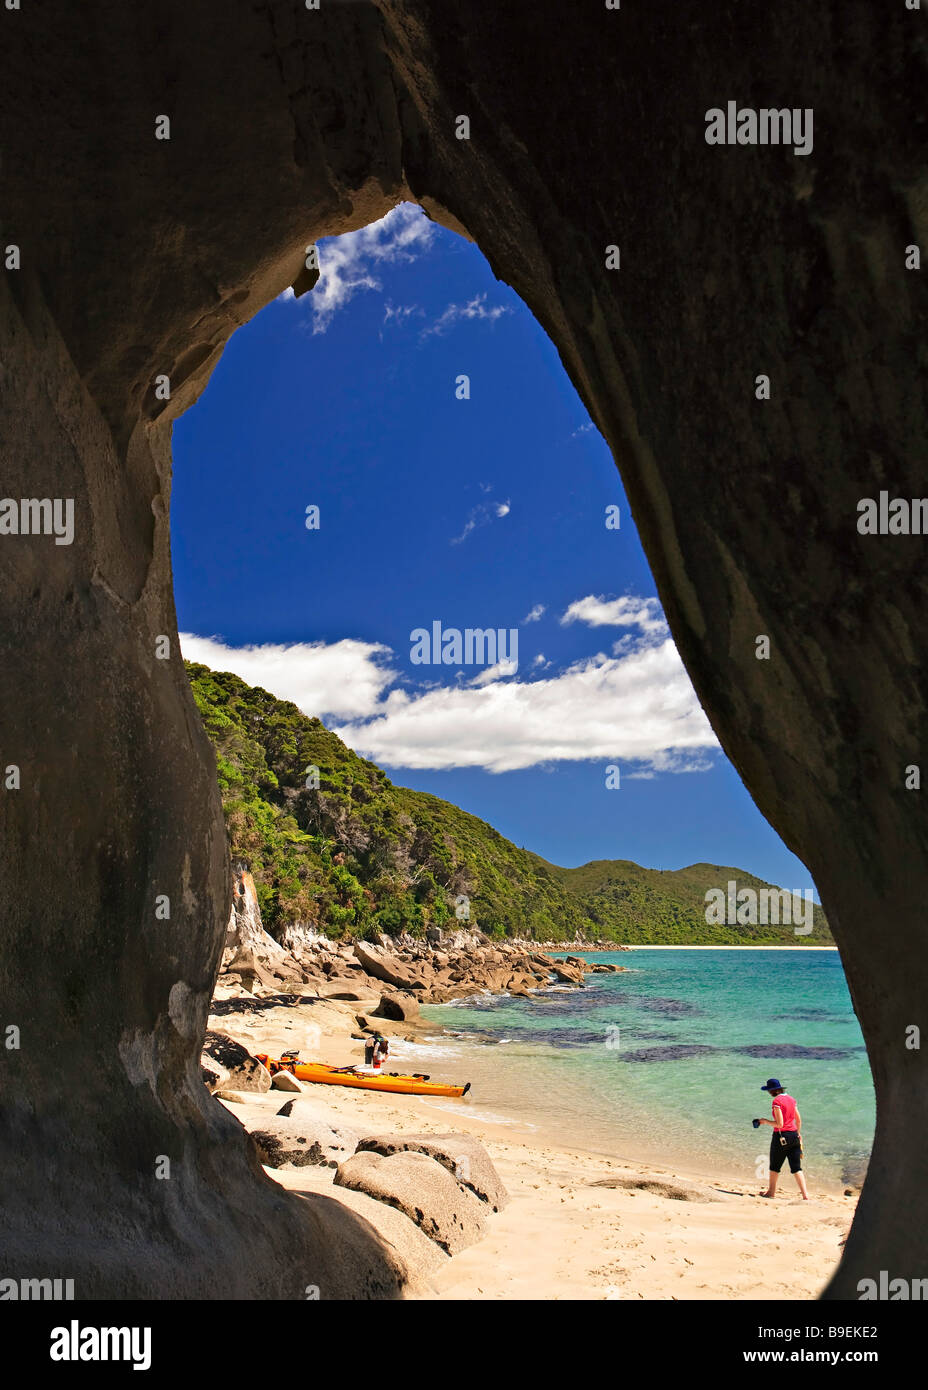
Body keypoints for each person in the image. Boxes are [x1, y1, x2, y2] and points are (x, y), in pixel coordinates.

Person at [754, 1077, 809, 1200]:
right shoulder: (792, 1100)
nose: (769, 1093)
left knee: (775, 1166)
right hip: (794, 1135)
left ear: (774, 1090)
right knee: (796, 1167)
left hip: (781, 1137)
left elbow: (780, 1124)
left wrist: (765, 1121)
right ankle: (805, 1195)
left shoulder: (777, 1102)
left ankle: (771, 1192)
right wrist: (798, 1134)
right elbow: (798, 1120)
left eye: (769, 1090)